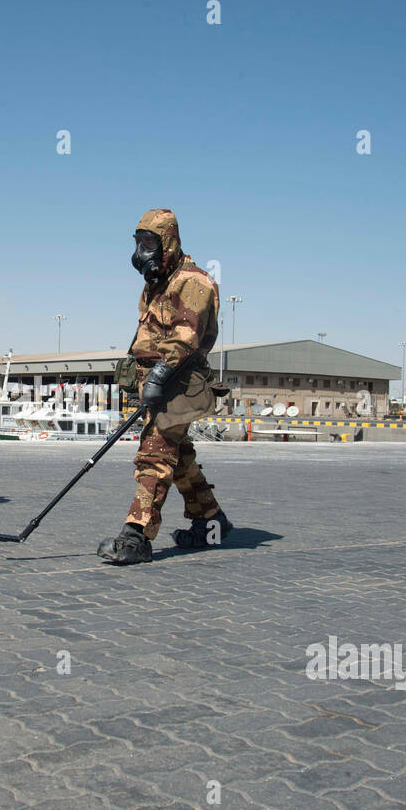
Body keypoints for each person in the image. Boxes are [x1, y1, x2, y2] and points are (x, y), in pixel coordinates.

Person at [98, 209, 231, 565]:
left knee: (155, 456)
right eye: (139, 244)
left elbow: (185, 338)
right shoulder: (157, 283)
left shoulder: (194, 281)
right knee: (180, 458)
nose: (143, 252)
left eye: (149, 244)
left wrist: (157, 376)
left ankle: (136, 536)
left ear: (168, 242)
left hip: (179, 383)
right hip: (156, 382)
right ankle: (211, 521)